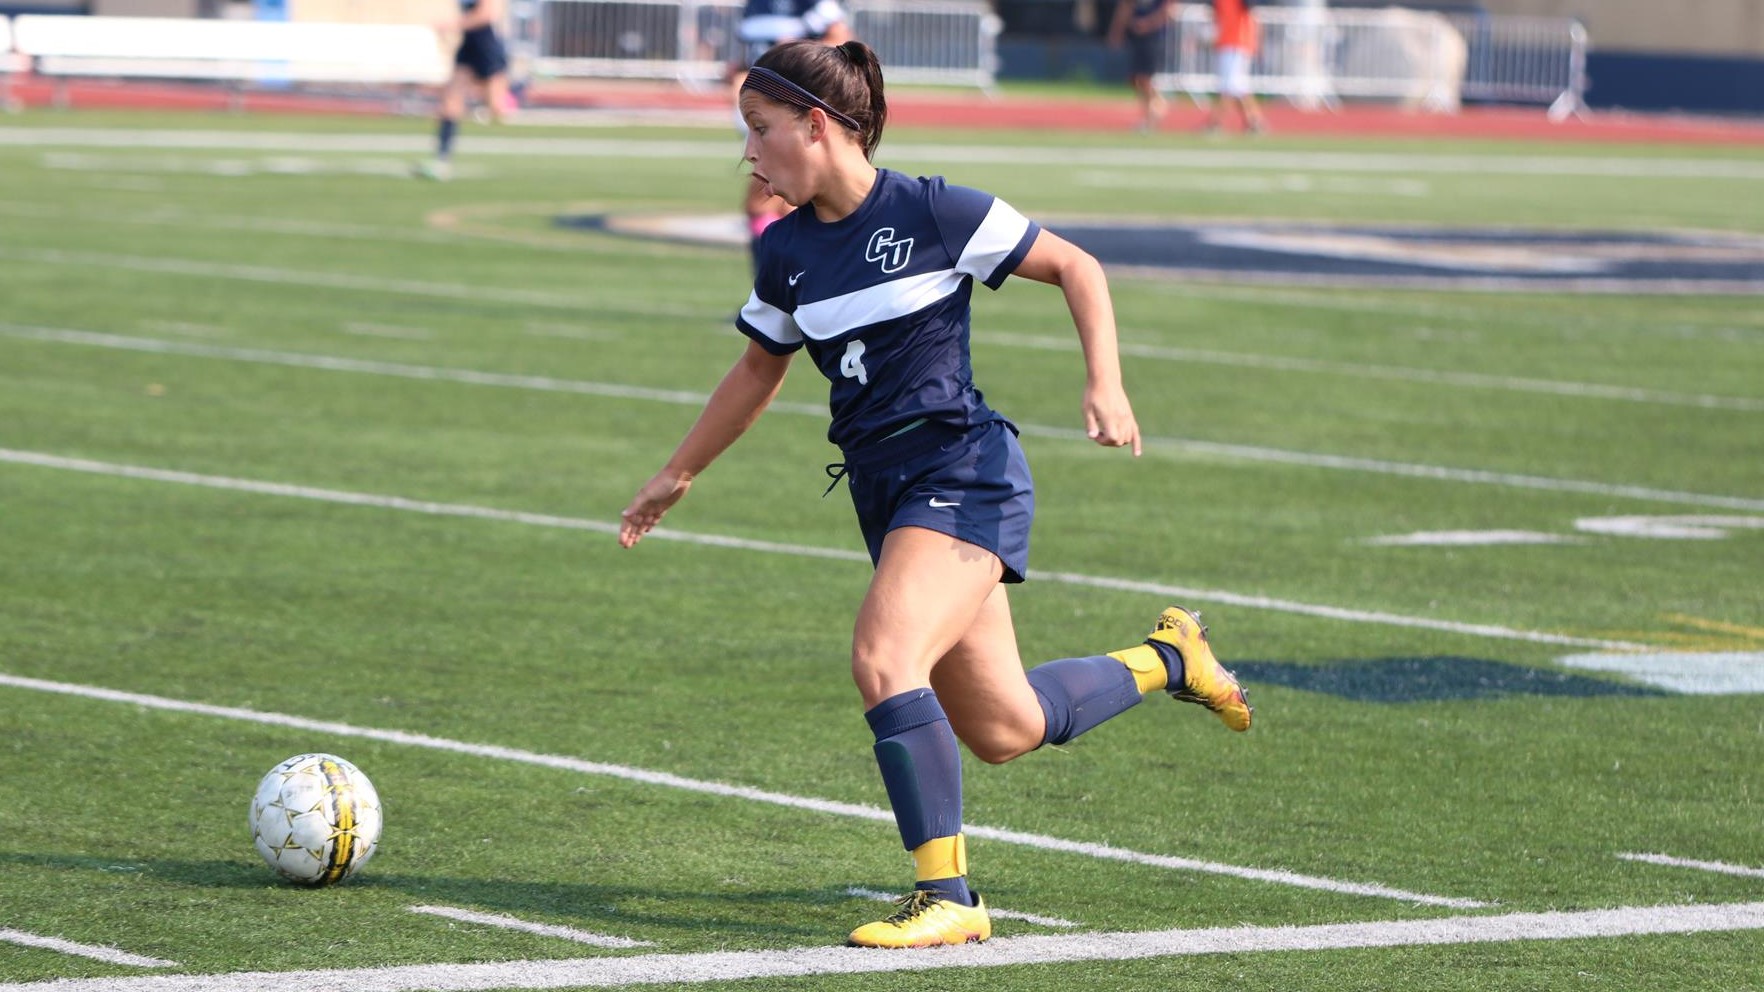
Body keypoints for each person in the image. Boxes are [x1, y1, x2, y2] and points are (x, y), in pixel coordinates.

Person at [618, 39, 1251, 949]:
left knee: (882, 657)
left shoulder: (933, 209)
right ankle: (1171, 659)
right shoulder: (786, 251)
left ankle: (949, 895)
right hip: (887, 495)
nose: (748, 155)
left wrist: (1104, 384)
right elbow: (756, 372)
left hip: (962, 474)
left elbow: (1079, 267)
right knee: (1005, 726)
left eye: (759, 131)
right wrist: (677, 474)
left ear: (819, 125)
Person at [729, 0, 851, 266]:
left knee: (766, 200)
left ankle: (779, 298)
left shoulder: (816, 5)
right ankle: (784, 296)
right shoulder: (756, 5)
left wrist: (806, 80)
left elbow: (840, 43)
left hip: (788, 109)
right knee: (782, 204)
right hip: (763, 103)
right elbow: (754, 49)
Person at [416, 0, 515, 181]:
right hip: (468, 46)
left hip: (487, 47)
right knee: (450, 102)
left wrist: (452, 25)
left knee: (496, 108)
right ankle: (441, 161)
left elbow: (486, 15)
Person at [1107, 0, 1176, 133]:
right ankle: (1158, 102)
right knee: (1134, 79)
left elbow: (1168, 10)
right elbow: (1125, 7)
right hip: (1135, 36)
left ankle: (1150, 119)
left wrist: (1148, 24)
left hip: (1154, 37)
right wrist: (1116, 32)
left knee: (1144, 78)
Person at [1206, 0, 1267, 134]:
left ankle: (1215, 123)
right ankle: (1254, 121)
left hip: (1238, 43)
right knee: (1238, 86)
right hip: (1226, 43)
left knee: (1229, 86)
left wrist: (1259, 42)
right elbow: (1216, 17)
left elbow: (1254, 16)